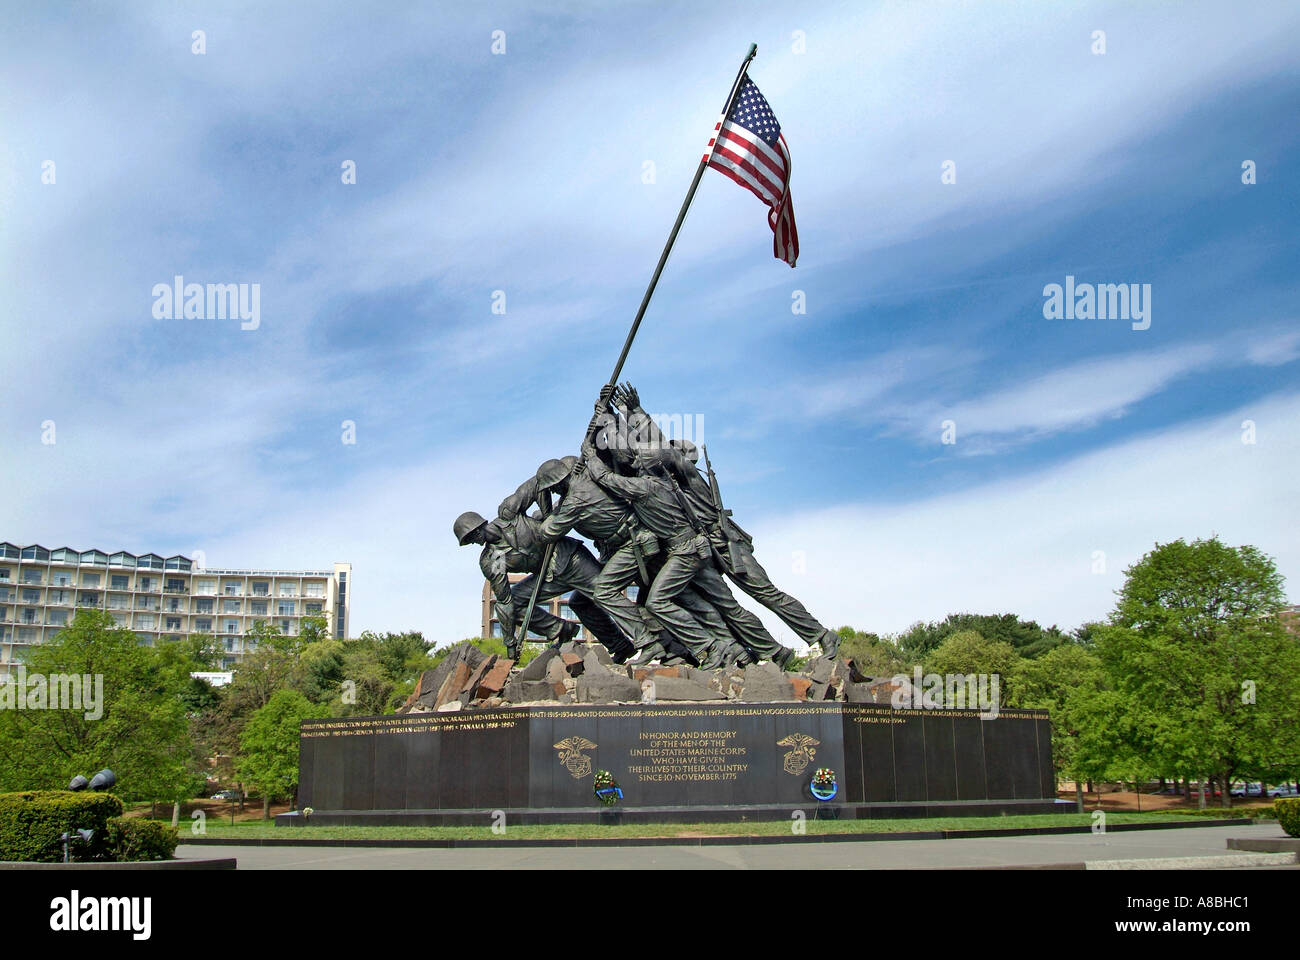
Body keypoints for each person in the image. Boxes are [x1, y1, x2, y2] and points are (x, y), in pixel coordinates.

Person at [613, 381, 839, 659]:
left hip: (725, 540)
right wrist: (616, 416)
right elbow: (634, 457)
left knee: (766, 594)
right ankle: (765, 652)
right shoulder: (664, 486)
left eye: (669, 451)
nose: (658, 453)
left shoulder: (690, 476)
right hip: (703, 546)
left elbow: (659, 447)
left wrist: (635, 410)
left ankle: (822, 636)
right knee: (722, 605)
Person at [452, 509, 633, 662]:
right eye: (468, 540)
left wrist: (543, 517)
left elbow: (539, 493)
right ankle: (562, 629)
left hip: (570, 559)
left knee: (604, 595)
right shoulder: (492, 558)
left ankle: (651, 637)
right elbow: (505, 601)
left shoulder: (511, 516)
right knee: (515, 602)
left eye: (472, 535)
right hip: (548, 576)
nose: (474, 540)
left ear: (480, 525)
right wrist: (510, 642)